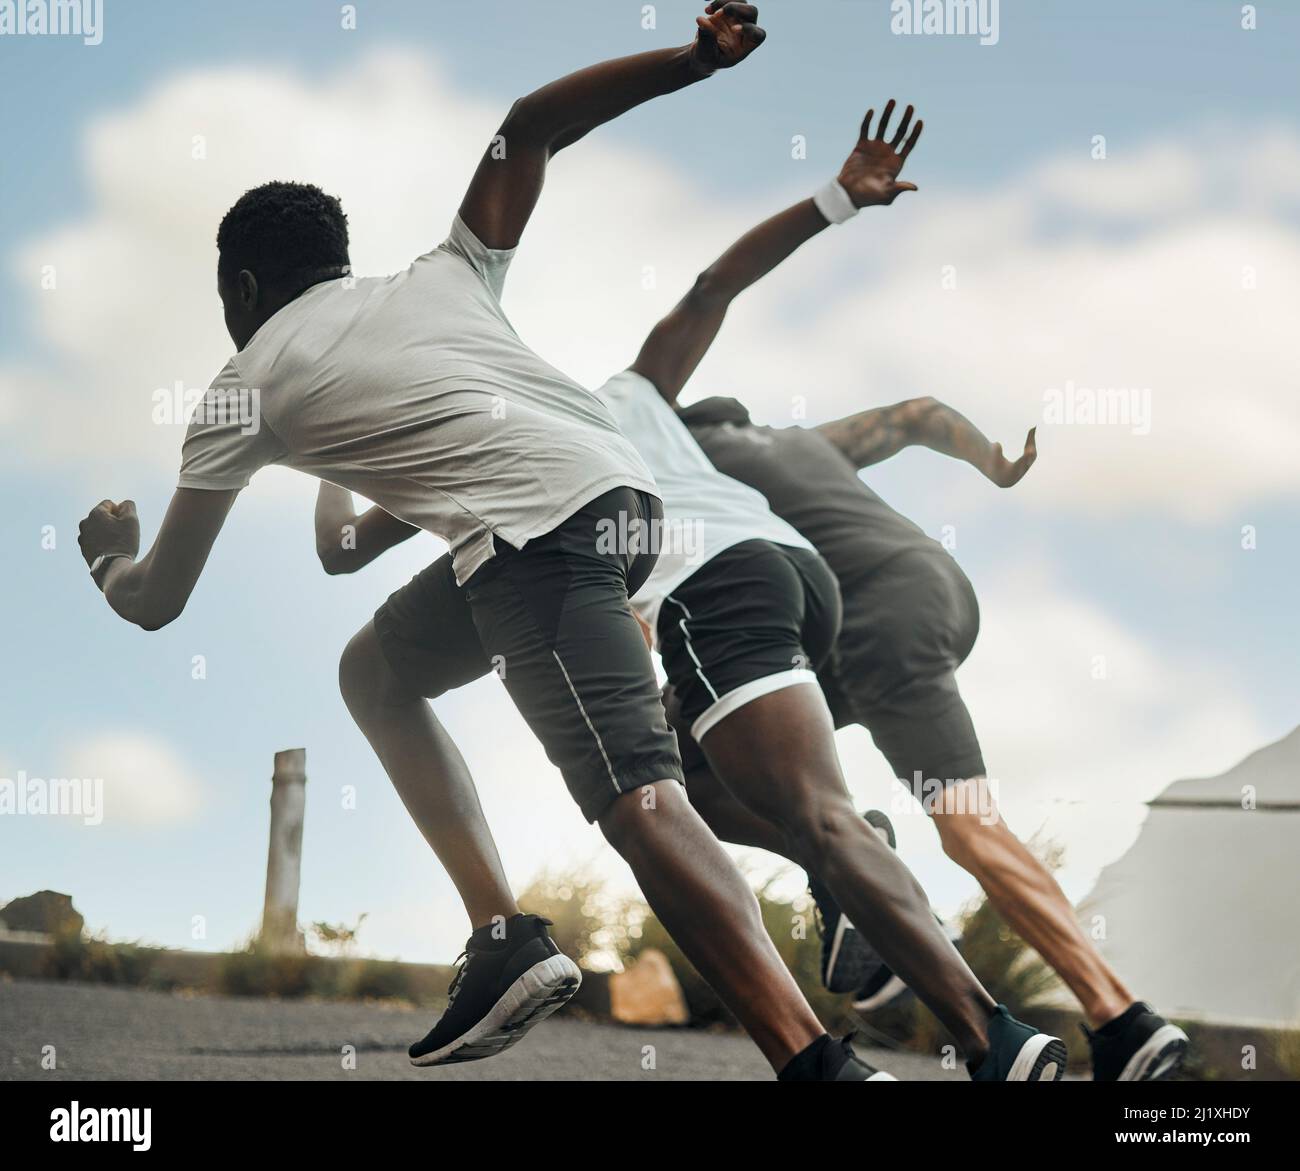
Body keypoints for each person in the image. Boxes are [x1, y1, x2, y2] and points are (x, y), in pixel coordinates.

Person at [78, 5, 900, 1083]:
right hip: (617, 505)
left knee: (638, 799)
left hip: (536, 540)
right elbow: (531, 126)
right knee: (374, 669)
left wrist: (106, 551)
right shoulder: (436, 280)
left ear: (239, 291)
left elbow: (157, 600)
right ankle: (501, 935)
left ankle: (819, 1065)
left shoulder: (241, 388)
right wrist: (694, 60)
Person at [317, 101, 1069, 1082]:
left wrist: (334, 439)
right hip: (792, 572)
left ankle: (983, 1035)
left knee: (772, 811)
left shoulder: (513, 440)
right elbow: (714, 287)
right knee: (694, 793)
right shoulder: (637, 393)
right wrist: (836, 198)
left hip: (709, 583)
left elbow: (345, 545)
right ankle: (943, 982)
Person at [633, 122, 1188, 1082]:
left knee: (954, 817)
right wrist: (996, 467)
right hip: (924, 597)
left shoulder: (693, 465)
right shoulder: (798, 441)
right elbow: (920, 414)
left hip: (873, 618)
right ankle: (856, 887)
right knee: (755, 759)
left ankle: (1120, 1014)